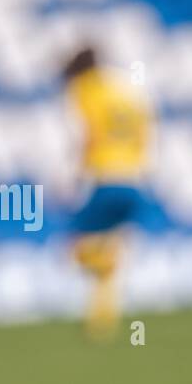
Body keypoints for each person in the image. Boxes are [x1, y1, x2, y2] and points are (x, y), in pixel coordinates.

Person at [62, 46, 154, 338]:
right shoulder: (126, 90)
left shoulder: (85, 89)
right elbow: (145, 130)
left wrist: (78, 171)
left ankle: (105, 263)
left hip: (106, 178)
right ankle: (102, 321)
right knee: (110, 243)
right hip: (134, 179)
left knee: (75, 245)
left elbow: (90, 133)